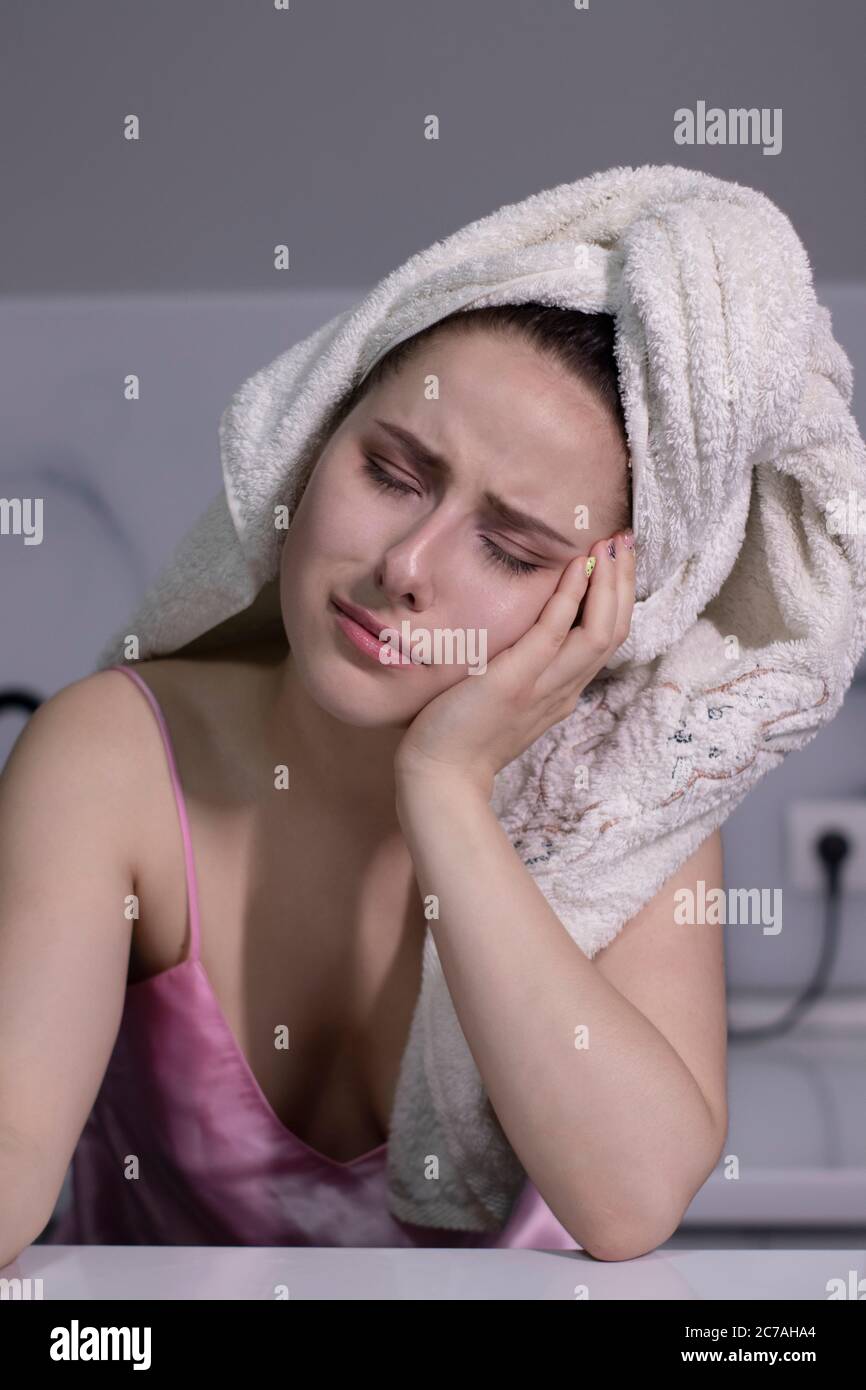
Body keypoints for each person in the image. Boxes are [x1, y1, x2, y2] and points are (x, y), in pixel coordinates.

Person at [0, 304, 727, 1262]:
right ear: (312, 448)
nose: (405, 566)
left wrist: (445, 788)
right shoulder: (113, 752)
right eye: (390, 474)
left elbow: (631, 1203)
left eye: (511, 548)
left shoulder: (629, 803)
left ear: (601, 608)